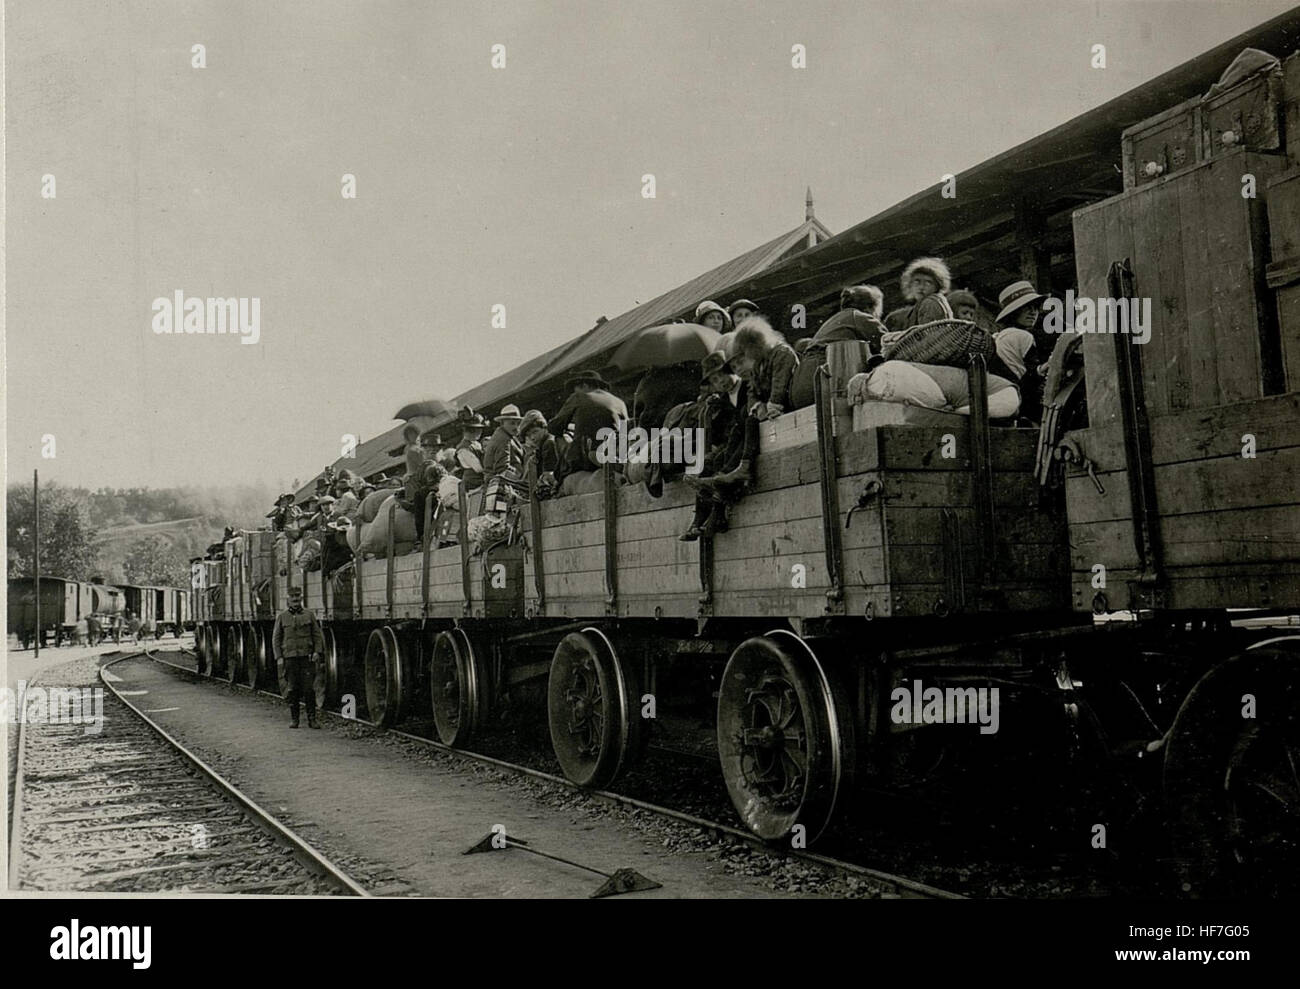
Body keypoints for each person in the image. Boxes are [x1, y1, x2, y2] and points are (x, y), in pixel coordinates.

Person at [681, 350, 760, 540]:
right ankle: (699, 519)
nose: (721, 382)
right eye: (715, 380)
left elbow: (744, 419)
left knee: (719, 461)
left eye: (722, 375)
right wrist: (713, 411)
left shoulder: (746, 386)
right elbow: (720, 432)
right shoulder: (723, 399)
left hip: (749, 440)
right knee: (708, 462)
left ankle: (717, 516)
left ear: (730, 370)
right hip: (734, 442)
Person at [548, 370, 629, 482]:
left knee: (559, 437)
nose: (574, 392)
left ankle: (560, 476)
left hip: (585, 457)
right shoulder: (620, 402)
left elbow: (554, 427)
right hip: (615, 451)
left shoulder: (579, 397)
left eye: (575, 388)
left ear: (585, 385)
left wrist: (570, 428)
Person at [272, 586, 324, 729]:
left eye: (297, 596)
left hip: (306, 658)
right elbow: (276, 638)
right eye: (292, 597)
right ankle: (295, 720)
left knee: (309, 689)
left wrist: (317, 652)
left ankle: (312, 719)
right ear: (288, 599)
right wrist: (279, 657)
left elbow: (317, 635)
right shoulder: (282, 617)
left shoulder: (309, 615)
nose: (295, 599)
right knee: (292, 689)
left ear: (301, 598)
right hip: (290, 658)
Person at [729, 315, 798, 419]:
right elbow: (751, 392)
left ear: (755, 344)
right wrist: (757, 407)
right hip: (770, 411)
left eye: (745, 349)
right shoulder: (759, 363)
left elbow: (780, 386)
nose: (746, 354)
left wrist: (771, 407)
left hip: (788, 408)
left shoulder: (782, 353)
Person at [884, 257, 954, 331]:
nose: (921, 287)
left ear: (937, 286)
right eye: (917, 281)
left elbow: (929, 334)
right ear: (910, 284)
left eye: (928, 282)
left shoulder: (931, 303)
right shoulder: (917, 307)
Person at [456, 412, 489, 490]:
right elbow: (478, 468)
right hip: (473, 483)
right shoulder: (463, 449)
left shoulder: (476, 444)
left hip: (482, 478)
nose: (481, 432)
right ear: (472, 430)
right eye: (479, 429)